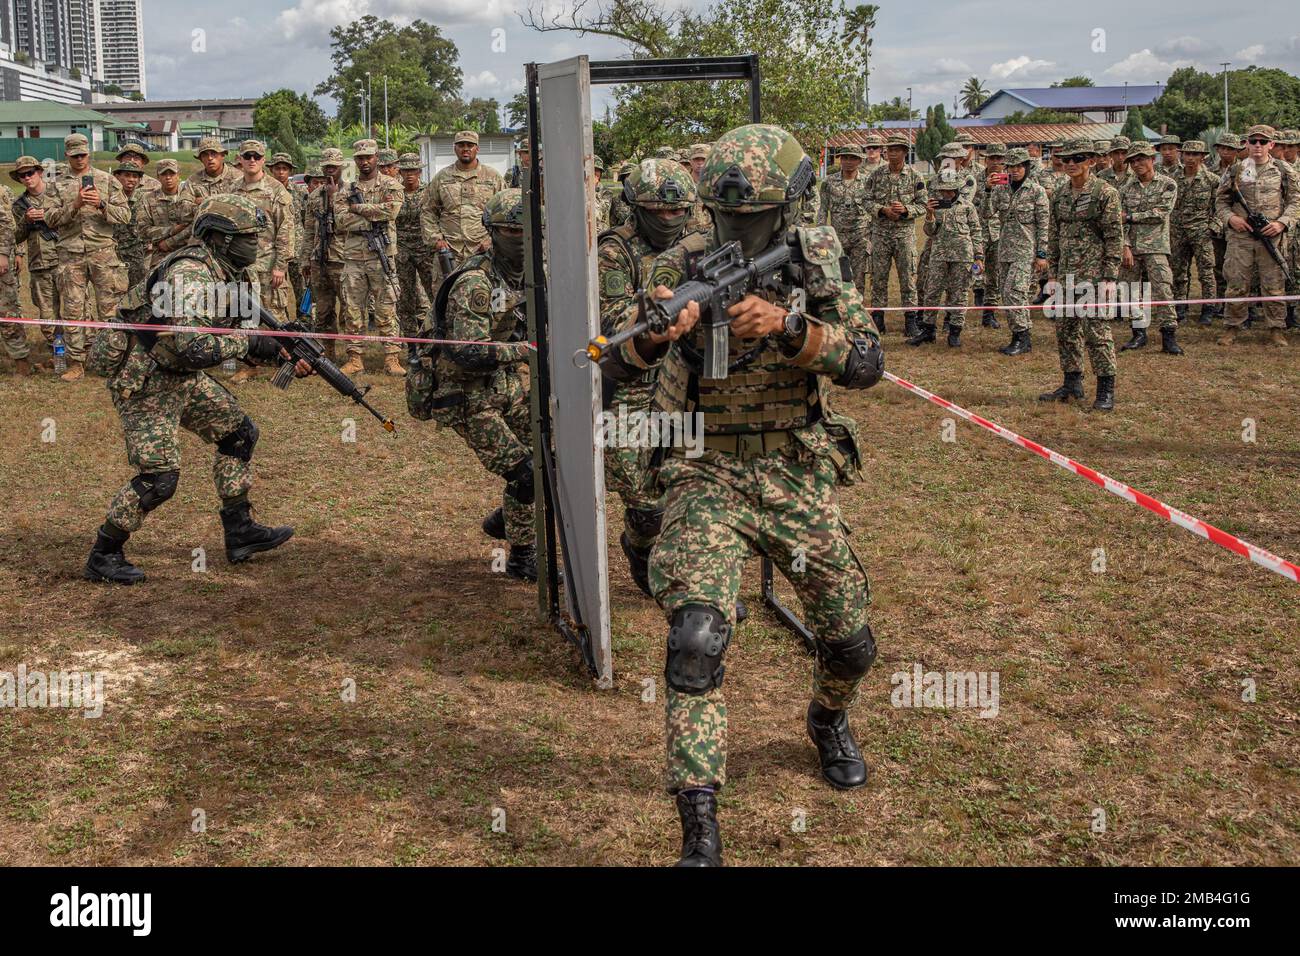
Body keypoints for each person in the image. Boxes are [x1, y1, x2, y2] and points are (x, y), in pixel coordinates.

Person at [600, 123, 884, 867]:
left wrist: (792, 327)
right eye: (726, 216)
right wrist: (658, 338)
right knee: (696, 640)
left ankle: (827, 719)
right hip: (705, 470)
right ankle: (698, 819)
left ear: (787, 209)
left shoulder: (815, 255)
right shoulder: (680, 263)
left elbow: (866, 363)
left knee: (852, 643)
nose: (735, 229)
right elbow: (610, 373)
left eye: (752, 217)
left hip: (794, 466)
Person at [83, 194, 308, 584]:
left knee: (238, 434)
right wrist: (254, 344)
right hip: (146, 379)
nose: (255, 242)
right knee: (160, 479)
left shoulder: (229, 270)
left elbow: (232, 328)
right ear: (220, 238)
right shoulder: (189, 273)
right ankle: (104, 554)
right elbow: (195, 345)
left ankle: (240, 532)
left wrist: (281, 349)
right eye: (247, 235)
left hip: (181, 374)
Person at [413, 189, 539, 580]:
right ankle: (521, 556)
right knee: (525, 473)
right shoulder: (476, 282)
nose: (520, 239)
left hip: (502, 385)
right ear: (493, 232)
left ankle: (507, 517)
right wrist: (524, 350)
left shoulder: (526, 273)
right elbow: (466, 354)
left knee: (549, 457)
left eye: (527, 231)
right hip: (464, 393)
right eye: (510, 232)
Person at [595, 158, 700, 597]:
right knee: (645, 499)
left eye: (676, 211)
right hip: (630, 387)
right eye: (657, 211)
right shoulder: (615, 252)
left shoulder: (699, 246)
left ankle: (693, 584)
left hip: (688, 380)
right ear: (636, 208)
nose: (668, 218)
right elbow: (611, 322)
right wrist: (651, 313)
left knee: (693, 487)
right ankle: (641, 548)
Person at [1039, 139, 1121, 412]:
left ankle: (1105, 389)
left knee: (1097, 332)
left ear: (1092, 161)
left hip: (1094, 275)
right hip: (1065, 275)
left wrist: (1109, 276)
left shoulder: (1104, 193)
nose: (1071, 163)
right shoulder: (1060, 194)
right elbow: (1053, 237)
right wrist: (1052, 275)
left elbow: (1113, 236)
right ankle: (1072, 382)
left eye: (1078, 158)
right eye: (1067, 159)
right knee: (1066, 330)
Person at [44, 132, 132, 382]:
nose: (79, 160)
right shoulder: (56, 184)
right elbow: (49, 219)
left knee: (110, 309)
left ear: (89, 153)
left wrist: (102, 205)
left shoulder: (106, 180)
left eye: (82, 155)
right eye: (74, 156)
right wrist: (74, 205)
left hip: (103, 253)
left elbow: (125, 216)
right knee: (72, 310)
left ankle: (111, 360)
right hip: (70, 255)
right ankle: (76, 362)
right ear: (67, 156)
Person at [1214, 125, 1298, 346]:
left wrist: (1281, 223)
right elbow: (1221, 202)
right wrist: (1231, 219)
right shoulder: (1235, 170)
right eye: (1253, 141)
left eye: (1263, 142)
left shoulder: (1283, 170)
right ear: (1247, 144)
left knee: (1273, 284)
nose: (1258, 146)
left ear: (1271, 145)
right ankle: (1232, 326)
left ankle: (1276, 328)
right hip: (1241, 237)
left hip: (1271, 237)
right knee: (1236, 282)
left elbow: (1295, 202)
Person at [227, 140, 297, 383]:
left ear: (263, 159)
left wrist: (280, 266)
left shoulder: (277, 191)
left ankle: (285, 359)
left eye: (257, 156)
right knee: (243, 316)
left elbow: (286, 231)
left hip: (269, 267)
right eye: (248, 156)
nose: (252, 160)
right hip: (241, 268)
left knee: (275, 316)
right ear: (240, 159)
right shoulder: (233, 190)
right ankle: (249, 364)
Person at [335, 139, 405, 376]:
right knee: (352, 309)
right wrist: (375, 214)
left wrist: (358, 209)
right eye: (360, 158)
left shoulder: (391, 184)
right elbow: (341, 220)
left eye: (369, 157)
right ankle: (355, 358)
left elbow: (392, 211)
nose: (365, 162)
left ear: (376, 158)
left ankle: (392, 358)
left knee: (386, 307)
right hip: (354, 258)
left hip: (382, 256)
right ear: (355, 160)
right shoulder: (346, 190)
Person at [421, 130, 504, 296]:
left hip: (482, 252)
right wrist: (436, 240)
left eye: (470, 145)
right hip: (450, 252)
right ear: (455, 148)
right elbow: (427, 211)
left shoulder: (493, 177)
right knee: (444, 301)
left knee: (488, 299)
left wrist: (491, 241)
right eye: (461, 145)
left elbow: (503, 214)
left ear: (477, 149)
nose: (465, 149)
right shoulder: (442, 177)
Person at [1118, 141, 1182, 354]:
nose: (1137, 164)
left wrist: (1131, 217)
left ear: (1152, 159)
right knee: (1131, 291)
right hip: (1132, 248)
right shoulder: (1126, 189)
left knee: (1163, 290)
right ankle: (1138, 333)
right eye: (1133, 161)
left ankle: (1168, 335)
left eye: (1142, 159)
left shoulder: (1167, 184)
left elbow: (1160, 214)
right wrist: (1125, 246)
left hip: (1156, 247)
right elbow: (1119, 221)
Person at [863, 133, 928, 334]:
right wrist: (883, 210)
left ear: (905, 152)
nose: (893, 153)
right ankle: (878, 320)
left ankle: (910, 321)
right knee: (879, 278)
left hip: (905, 235)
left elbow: (923, 204)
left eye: (897, 149)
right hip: (881, 234)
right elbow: (865, 201)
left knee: (908, 278)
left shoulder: (915, 176)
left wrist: (906, 210)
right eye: (890, 149)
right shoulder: (876, 175)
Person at [988, 148, 1050, 356]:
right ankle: (1019, 335)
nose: (1015, 170)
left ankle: (1022, 336)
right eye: (1011, 166)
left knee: (1015, 293)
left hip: (1026, 251)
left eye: (1019, 166)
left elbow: (1044, 224)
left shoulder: (1036, 191)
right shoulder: (1000, 189)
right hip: (1005, 250)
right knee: (1008, 295)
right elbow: (986, 212)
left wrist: (1042, 254)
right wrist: (988, 190)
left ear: (1027, 167)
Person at [914, 168, 983, 347]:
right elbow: (930, 232)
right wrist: (929, 214)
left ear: (957, 190)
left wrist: (979, 257)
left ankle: (954, 331)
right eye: (943, 190)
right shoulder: (936, 207)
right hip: (939, 255)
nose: (946, 193)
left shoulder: (967, 207)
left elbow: (976, 232)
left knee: (959, 294)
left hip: (962, 257)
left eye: (950, 190)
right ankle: (928, 330)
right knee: (932, 292)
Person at [9, 156, 61, 372]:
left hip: (64, 261)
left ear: (39, 172)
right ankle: (57, 354)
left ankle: (80, 354)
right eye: (23, 175)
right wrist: (26, 221)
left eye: (31, 172)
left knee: (75, 310)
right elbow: (16, 237)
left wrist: (48, 216)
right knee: (47, 314)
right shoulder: (19, 205)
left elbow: (72, 221)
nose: (27, 177)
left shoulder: (58, 194)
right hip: (39, 265)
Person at [301, 149, 347, 359]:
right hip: (320, 260)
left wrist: (334, 197)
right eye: (327, 166)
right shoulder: (313, 196)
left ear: (341, 168)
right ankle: (327, 352)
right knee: (323, 310)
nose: (330, 170)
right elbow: (309, 230)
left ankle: (355, 354)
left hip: (344, 259)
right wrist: (305, 259)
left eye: (334, 166)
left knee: (350, 309)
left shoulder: (351, 192)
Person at [1169, 141, 1219, 326]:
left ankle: (1208, 308)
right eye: (1187, 154)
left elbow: (1219, 207)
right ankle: (1180, 307)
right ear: (1182, 155)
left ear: (1202, 157)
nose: (1190, 158)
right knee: (1178, 272)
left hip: (1201, 232)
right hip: (1177, 231)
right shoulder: (1172, 178)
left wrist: (1213, 226)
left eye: (1195, 155)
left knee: (1206, 272)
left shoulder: (1212, 180)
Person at [817, 146, 872, 297]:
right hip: (837, 238)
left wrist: (873, 236)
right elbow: (823, 209)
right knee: (837, 277)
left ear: (860, 160)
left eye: (853, 158)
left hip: (861, 238)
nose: (848, 161)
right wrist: (821, 234)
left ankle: (857, 310)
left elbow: (874, 209)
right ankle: (840, 309)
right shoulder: (829, 182)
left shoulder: (868, 181)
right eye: (845, 158)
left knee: (858, 278)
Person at [395, 152, 436, 345]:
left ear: (419, 171)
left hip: (425, 250)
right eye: (405, 170)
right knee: (405, 298)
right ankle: (411, 342)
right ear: (400, 171)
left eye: (413, 170)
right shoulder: (393, 191)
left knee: (435, 294)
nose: (409, 174)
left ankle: (437, 335)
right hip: (401, 251)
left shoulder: (429, 191)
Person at [138, 159, 197, 270]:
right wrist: (172, 230)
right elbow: (143, 230)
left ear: (178, 175)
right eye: (164, 174)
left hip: (189, 250)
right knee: (156, 282)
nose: (168, 177)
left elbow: (196, 225)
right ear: (158, 177)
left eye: (172, 174)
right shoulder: (148, 199)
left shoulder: (191, 195)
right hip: (161, 253)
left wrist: (170, 242)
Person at [268, 152, 308, 306]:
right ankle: (281, 324)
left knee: (302, 289)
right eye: (277, 168)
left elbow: (307, 220)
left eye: (285, 168)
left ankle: (305, 321)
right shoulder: (267, 193)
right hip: (275, 251)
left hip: (298, 249)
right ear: (272, 170)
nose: (281, 172)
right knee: (276, 290)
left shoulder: (300, 193)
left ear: (290, 171)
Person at [111, 164, 149, 290]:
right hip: (112, 255)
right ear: (117, 177)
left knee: (137, 295)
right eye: (127, 175)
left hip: (136, 256)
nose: (131, 179)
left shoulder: (144, 200)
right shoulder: (107, 199)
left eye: (135, 176)